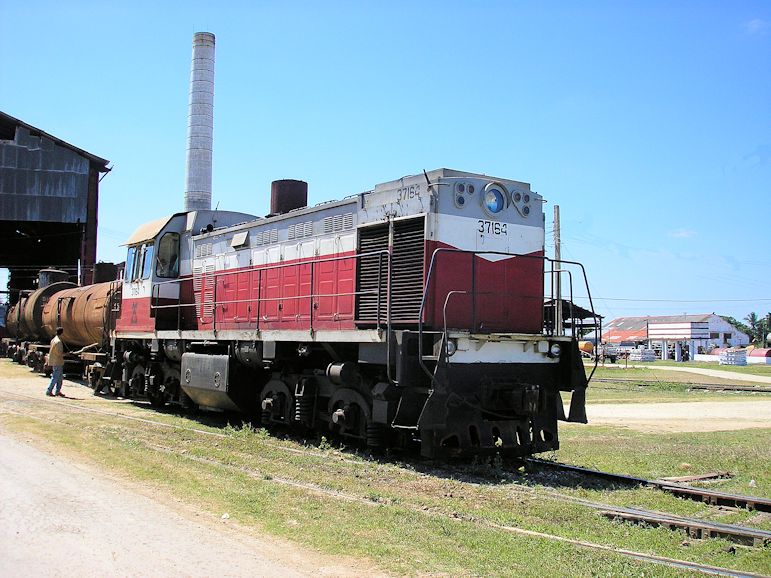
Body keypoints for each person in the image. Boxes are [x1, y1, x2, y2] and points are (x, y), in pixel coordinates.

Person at [46, 327, 66, 397]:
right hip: (57, 361)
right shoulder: (58, 342)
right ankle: (49, 390)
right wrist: (67, 354)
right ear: (62, 333)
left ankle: (58, 391)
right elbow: (59, 353)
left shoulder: (53, 340)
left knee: (60, 378)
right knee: (55, 377)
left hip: (56, 361)